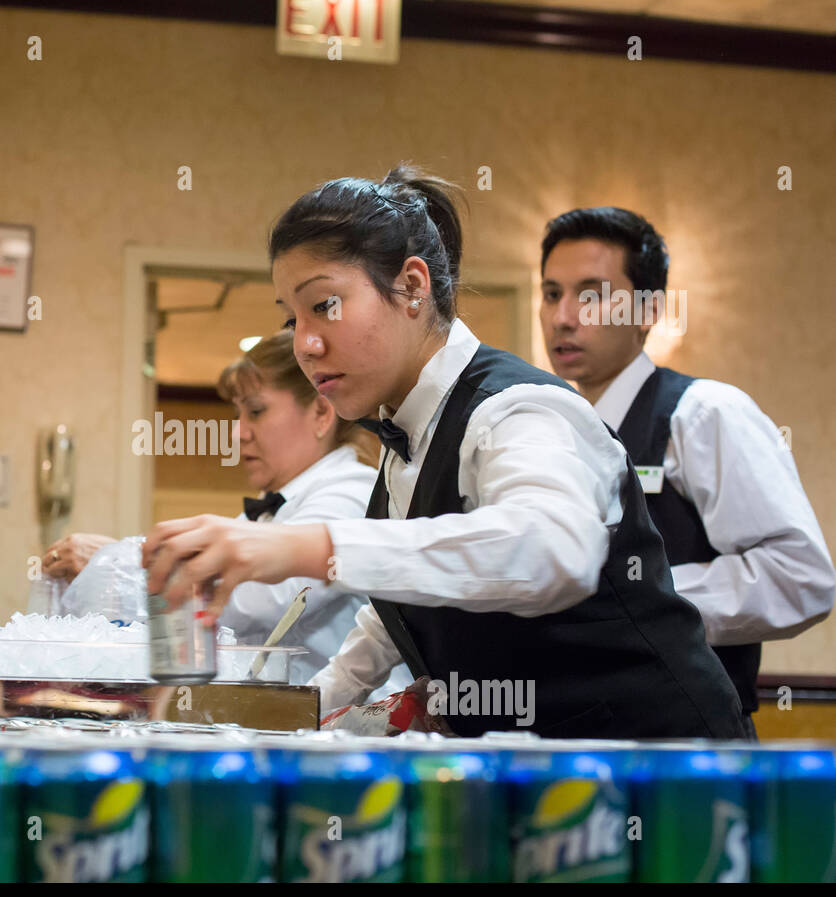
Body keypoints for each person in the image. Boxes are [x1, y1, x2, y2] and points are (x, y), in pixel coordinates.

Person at [142, 163, 750, 740]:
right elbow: (394, 615)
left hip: (667, 767)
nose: (304, 343)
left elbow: (553, 549)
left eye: (324, 305)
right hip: (538, 775)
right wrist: (304, 714)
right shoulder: (405, 427)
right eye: (291, 316)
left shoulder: (519, 407)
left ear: (411, 286)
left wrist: (306, 546)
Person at [540, 206, 835, 721]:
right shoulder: (552, 433)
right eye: (551, 294)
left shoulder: (704, 414)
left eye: (592, 295)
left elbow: (800, 577)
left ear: (650, 310)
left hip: (691, 746)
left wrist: (640, 600)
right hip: (576, 740)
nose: (564, 316)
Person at [44, 331, 410, 691]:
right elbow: (208, 567)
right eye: (238, 414)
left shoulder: (353, 492)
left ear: (320, 412)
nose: (238, 434)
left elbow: (252, 598)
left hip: (346, 726)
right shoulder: (268, 510)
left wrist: (111, 565)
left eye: (256, 411)